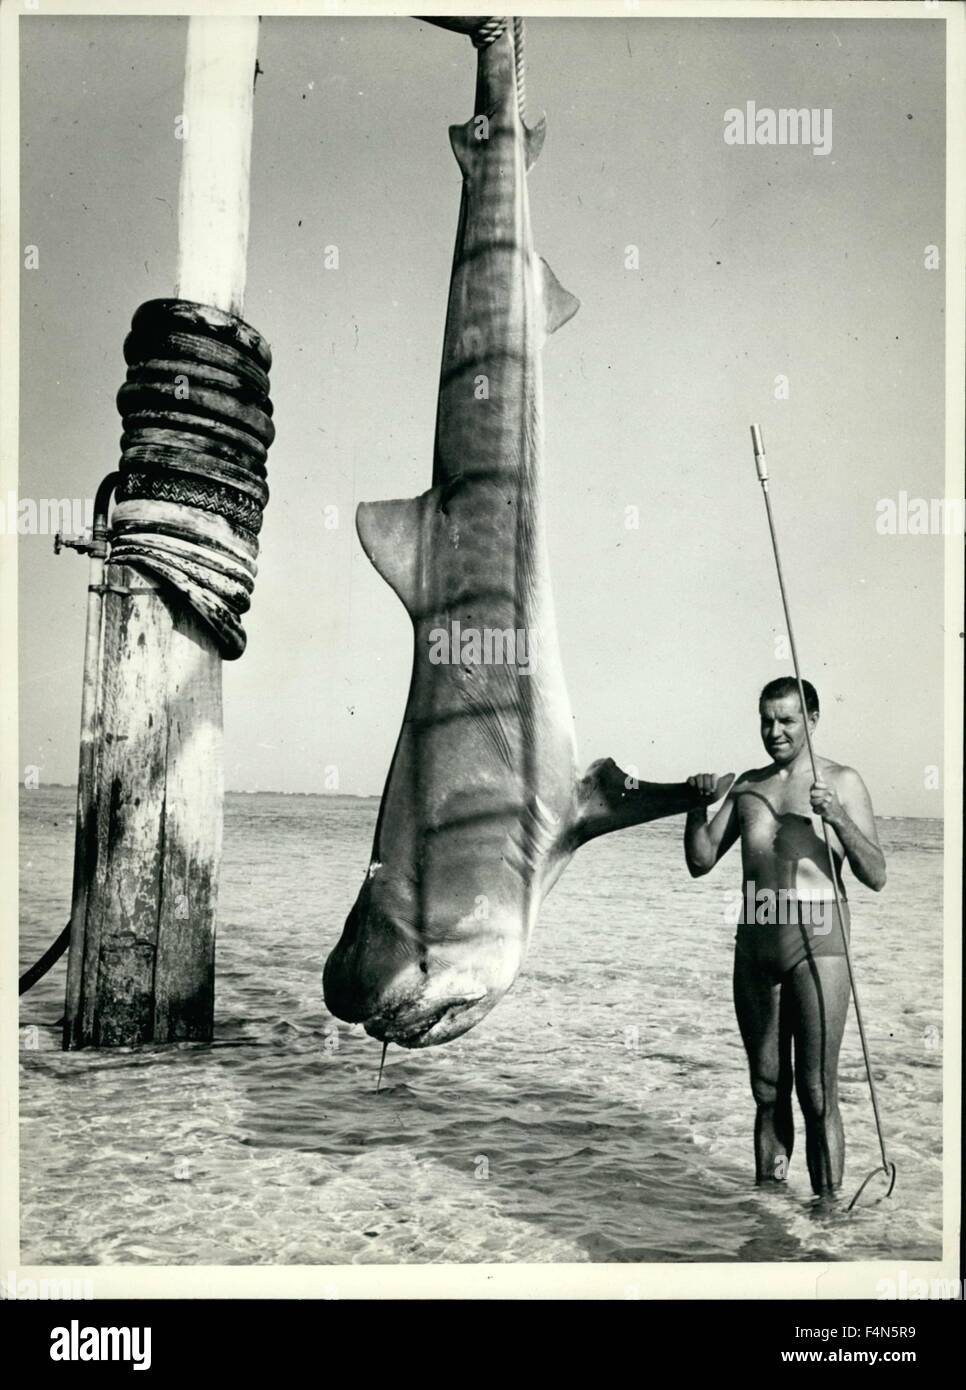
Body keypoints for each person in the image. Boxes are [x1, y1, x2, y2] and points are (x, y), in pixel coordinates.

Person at [684, 677, 886, 1198]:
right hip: (756, 941)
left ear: (812, 721)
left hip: (818, 940)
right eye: (766, 720)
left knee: (817, 1093)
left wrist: (835, 816)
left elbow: (876, 873)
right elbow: (701, 861)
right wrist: (696, 804)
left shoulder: (841, 780)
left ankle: (827, 1214)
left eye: (787, 720)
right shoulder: (749, 786)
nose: (774, 731)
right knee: (767, 1089)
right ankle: (769, 1209)